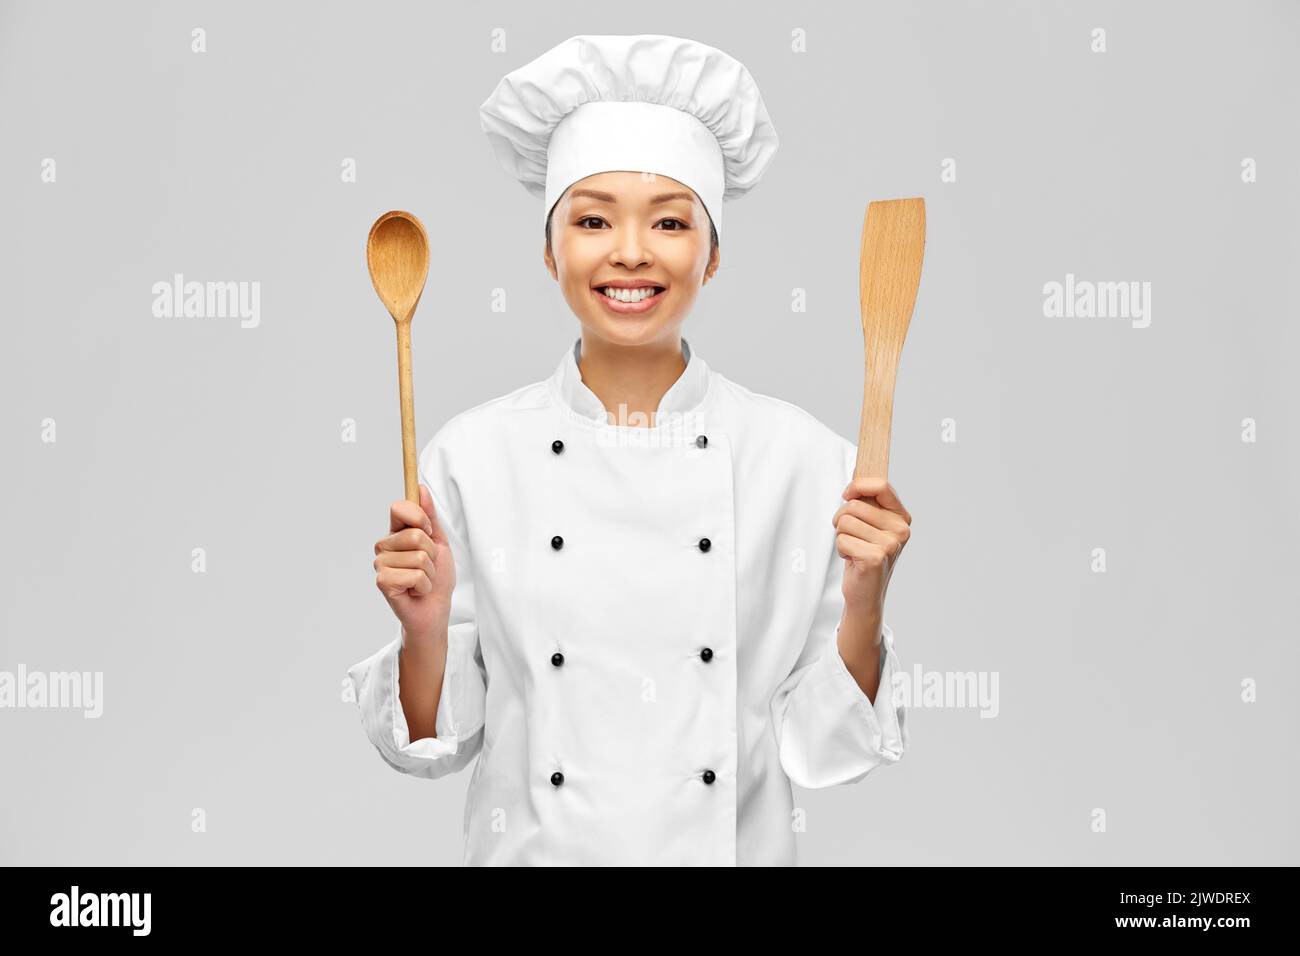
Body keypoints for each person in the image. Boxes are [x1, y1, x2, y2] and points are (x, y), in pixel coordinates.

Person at [347, 33, 912, 867]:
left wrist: (867, 602)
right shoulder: (471, 458)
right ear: (549, 251)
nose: (631, 252)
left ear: (714, 255)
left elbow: (822, 750)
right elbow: (435, 742)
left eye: (672, 222)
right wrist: (425, 631)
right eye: (593, 219)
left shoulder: (806, 463)